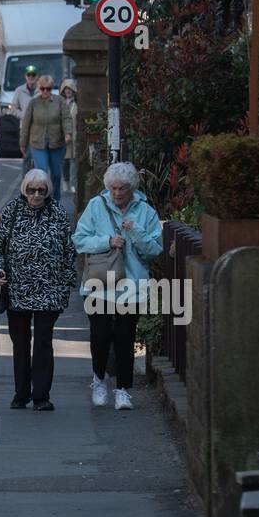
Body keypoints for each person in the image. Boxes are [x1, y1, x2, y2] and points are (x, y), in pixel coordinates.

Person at [72, 161, 163, 412]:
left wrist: (136, 233)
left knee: (125, 337)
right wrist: (107, 241)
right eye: (112, 188)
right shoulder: (96, 206)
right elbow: (79, 241)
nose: (117, 193)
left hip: (131, 285)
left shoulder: (145, 212)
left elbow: (155, 250)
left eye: (122, 188)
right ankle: (99, 380)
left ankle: (123, 390)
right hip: (99, 283)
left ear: (131, 187)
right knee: (100, 335)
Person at [0, 169, 77, 411]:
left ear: (48, 191)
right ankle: (21, 393)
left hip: (50, 290)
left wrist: (66, 282)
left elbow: (69, 250)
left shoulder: (56, 212)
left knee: (44, 342)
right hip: (18, 289)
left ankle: (41, 396)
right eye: (32, 190)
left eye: (41, 190)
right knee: (21, 342)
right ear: (24, 190)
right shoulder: (12, 210)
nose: (36, 195)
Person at [19, 75, 72, 200]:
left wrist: (68, 133)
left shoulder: (59, 101)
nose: (45, 92)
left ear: (51, 88)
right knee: (42, 172)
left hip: (56, 142)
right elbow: (26, 123)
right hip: (37, 143)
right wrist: (23, 142)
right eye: (42, 89)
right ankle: (43, 200)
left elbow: (66, 118)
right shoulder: (34, 103)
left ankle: (55, 201)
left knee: (56, 174)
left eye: (48, 89)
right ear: (39, 88)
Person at [11, 65, 39, 174]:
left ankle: (38, 180)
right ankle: (25, 182)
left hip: (39, 126)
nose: (31, 77)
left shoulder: (41, 90)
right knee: (27, 155)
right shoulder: (19, 90)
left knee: (38, 155)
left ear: (37, 76)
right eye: (29, 75)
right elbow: (13, 107)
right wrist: (22, 115)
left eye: (33, 75)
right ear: (25, 76)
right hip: (25, 127)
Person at [59, 78, 78, 190]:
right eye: (66, 89)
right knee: (64, 161)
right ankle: (65, 180)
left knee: (74, 161)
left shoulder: (77, 104)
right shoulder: (60, 104)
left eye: (70, 89)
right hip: (63, 136)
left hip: (75, 136)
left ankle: (73, 183)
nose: (68, 91)